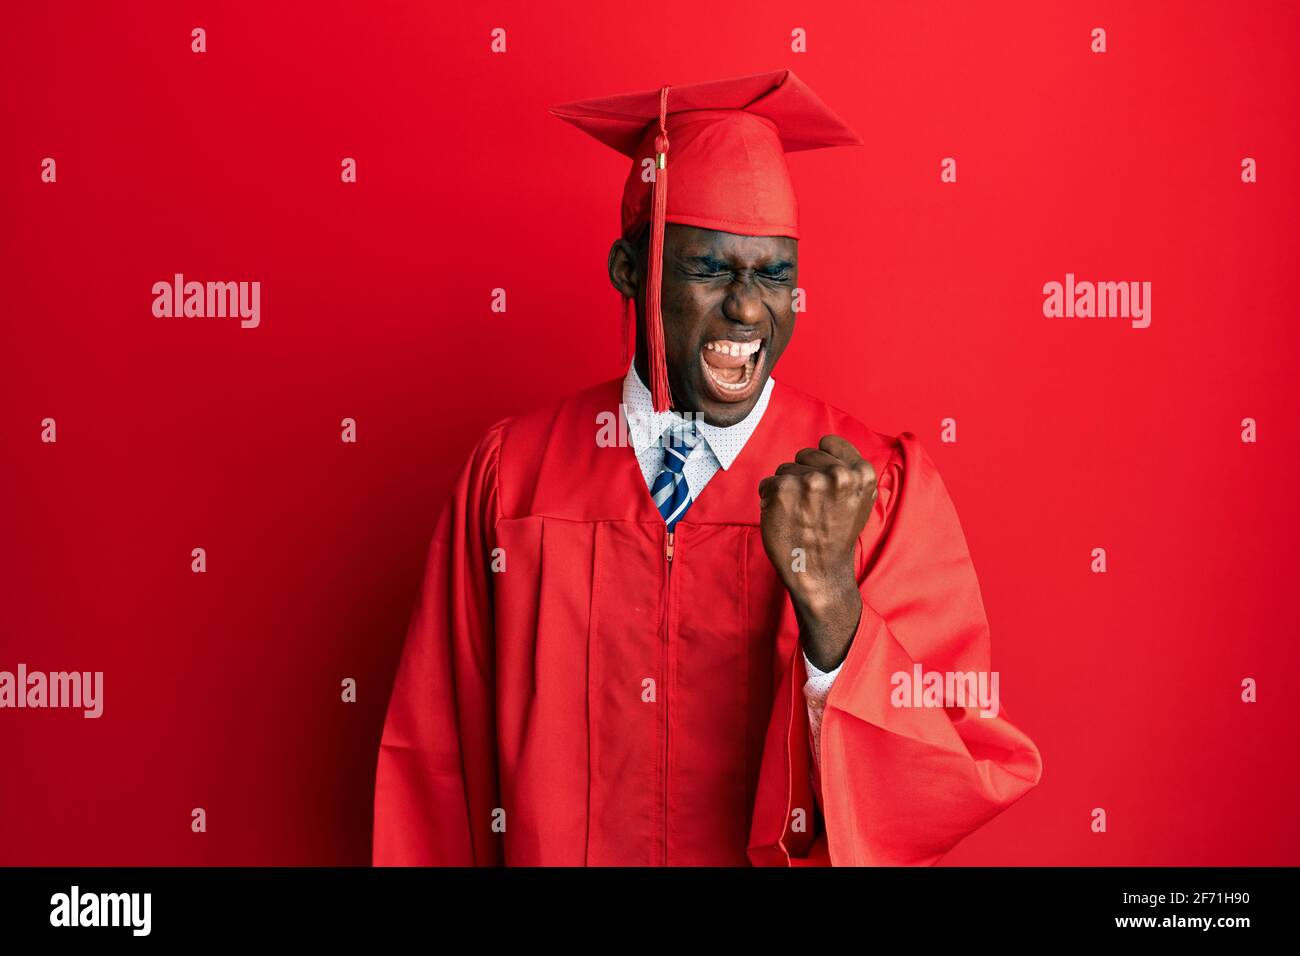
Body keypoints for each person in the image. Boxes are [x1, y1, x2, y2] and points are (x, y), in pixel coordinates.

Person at [373, 70, 1042, 866]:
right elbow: (436, 768)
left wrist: (832, 603)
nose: (749, 309)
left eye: (774, 276)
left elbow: (947, 777)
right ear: (630, 270)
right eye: (709, 270)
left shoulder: (873, 487)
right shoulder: (514, 477)